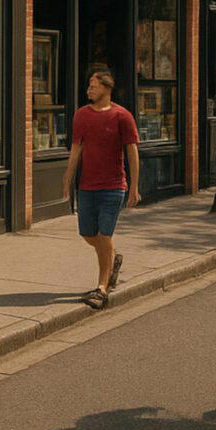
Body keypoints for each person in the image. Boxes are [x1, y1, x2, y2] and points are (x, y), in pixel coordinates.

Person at [61, 69, 139, 310]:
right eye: (89, 86)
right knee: (87, 234)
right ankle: (112, 259)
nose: (88, 90)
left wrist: (134, 187)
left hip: (113, 187)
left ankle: (101, 288)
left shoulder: (122, 116)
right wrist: (68, 178)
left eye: (93, 86)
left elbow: (132, 153)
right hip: (87, 186)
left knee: (104, 236)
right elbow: (77, 148)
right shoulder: (81, 116)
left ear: (107, 88)